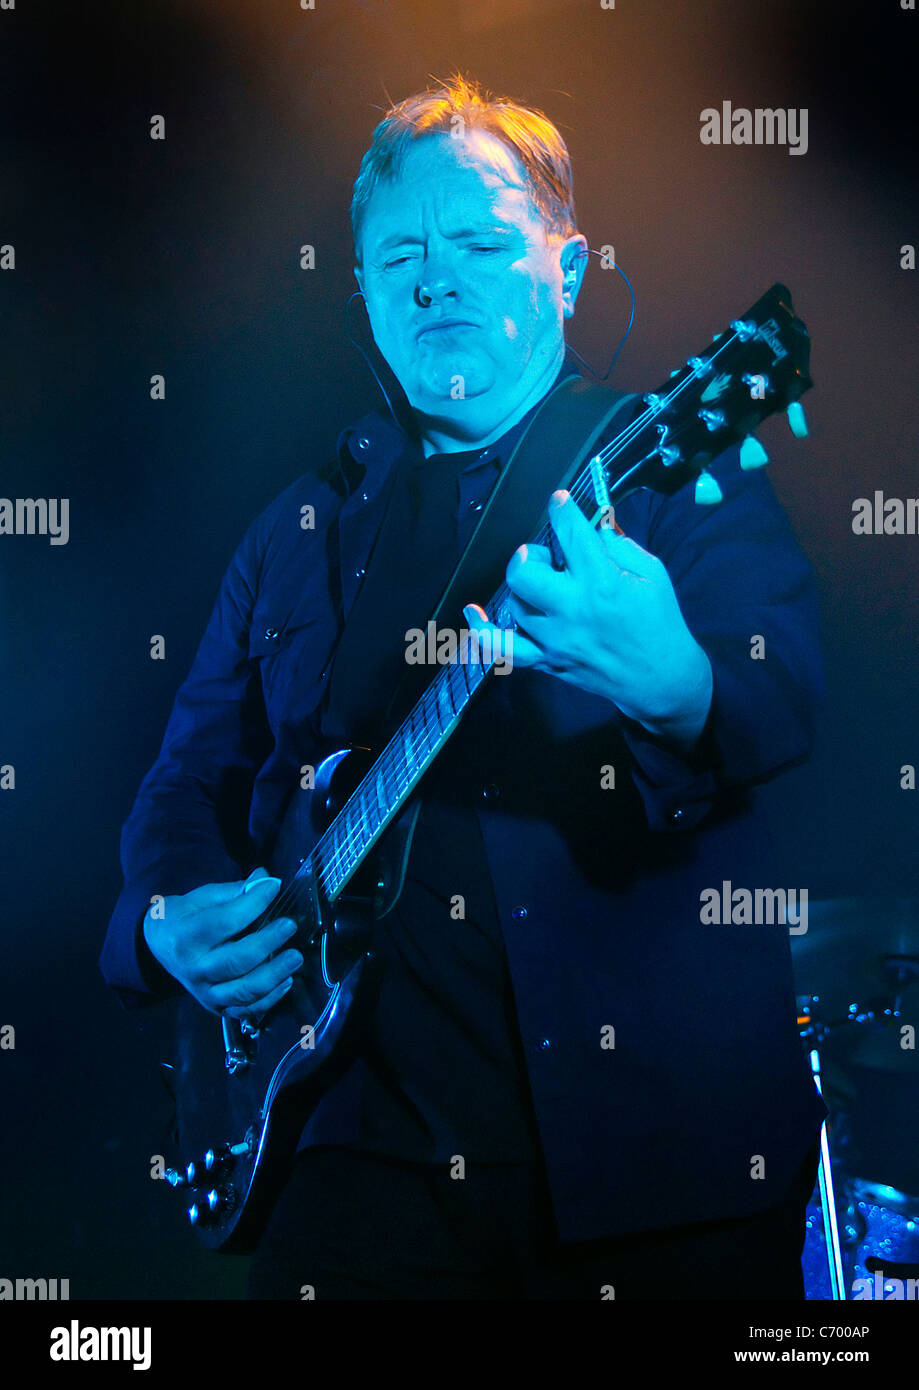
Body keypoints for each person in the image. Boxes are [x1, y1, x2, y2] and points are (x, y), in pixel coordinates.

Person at [100, 75, 826, 1300]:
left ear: (570, 269)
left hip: (648, 1171)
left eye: (484, 242)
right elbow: (188, 779)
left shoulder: (653, 464)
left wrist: (677, 684)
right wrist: (164, 925)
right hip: (352, 1155)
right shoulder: (299, 527)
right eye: (401, 257)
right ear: (367, 294)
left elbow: (785, 690)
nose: (437, 280)